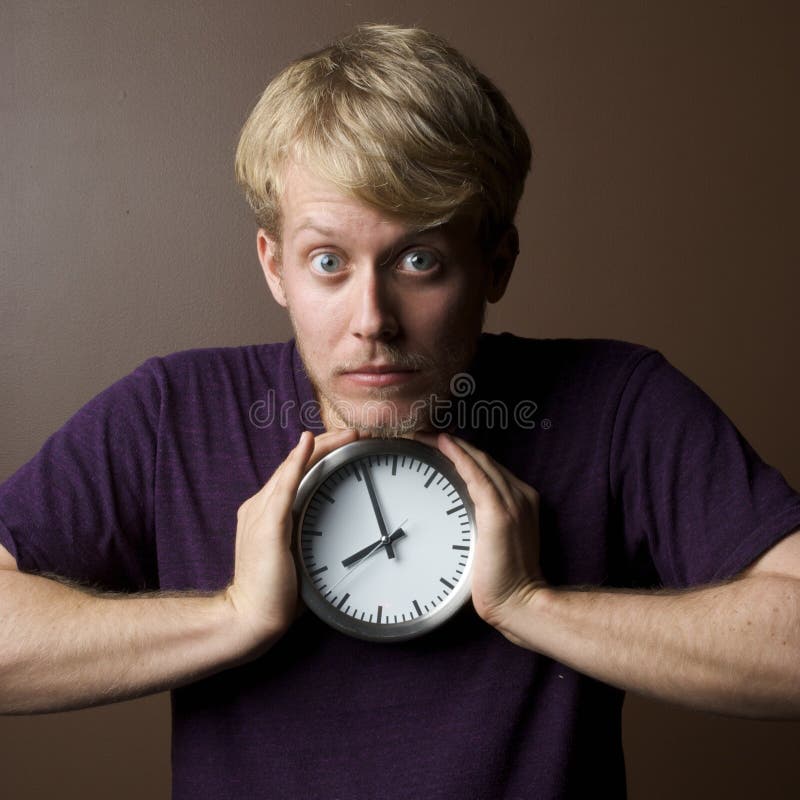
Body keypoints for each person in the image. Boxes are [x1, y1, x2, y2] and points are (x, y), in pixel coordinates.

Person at [1, 23, 799, 799]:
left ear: (496, 262)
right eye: (328, 263)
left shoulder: (620, 405)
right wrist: (232, 619)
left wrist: (533, 606)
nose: (372, 319)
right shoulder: (171, 416)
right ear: (274, 265)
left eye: (420, 259)